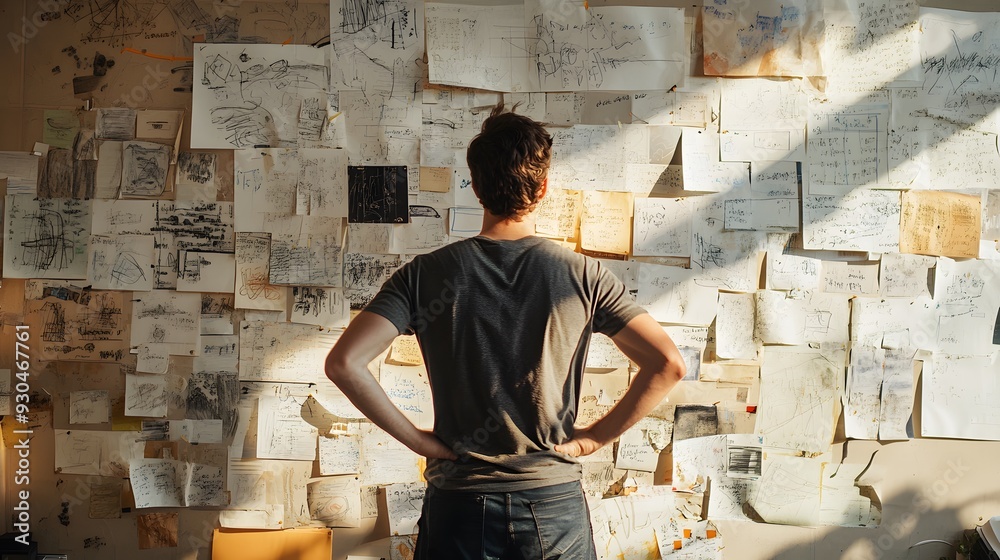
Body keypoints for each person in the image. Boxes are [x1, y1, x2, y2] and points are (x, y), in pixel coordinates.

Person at [325, 102, 686, 559]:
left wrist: (419, 440)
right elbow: (669, 365)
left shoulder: (424, 275)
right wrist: (593, 438)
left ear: (476, 186)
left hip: (459, 504)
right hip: (552, 503)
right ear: (544, 187)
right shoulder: (584, 276)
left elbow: (344, 363)